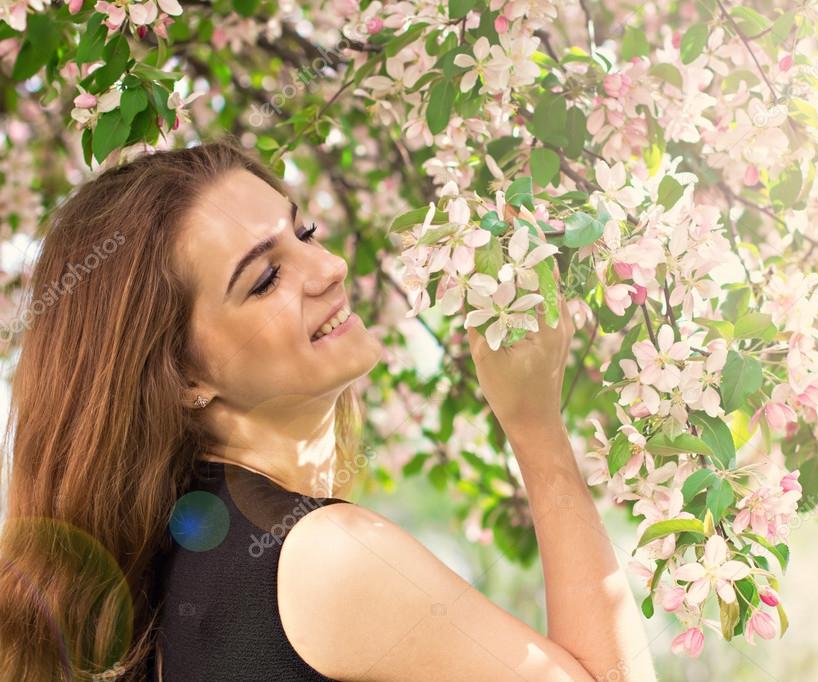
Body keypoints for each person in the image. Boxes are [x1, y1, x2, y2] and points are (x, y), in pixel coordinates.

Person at [0, 136, 657, 681]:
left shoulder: (177, 579)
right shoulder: (325, 558)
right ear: (183, 377)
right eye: (264, 279)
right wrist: (534, 425)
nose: (330, 266)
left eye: (303, 232)